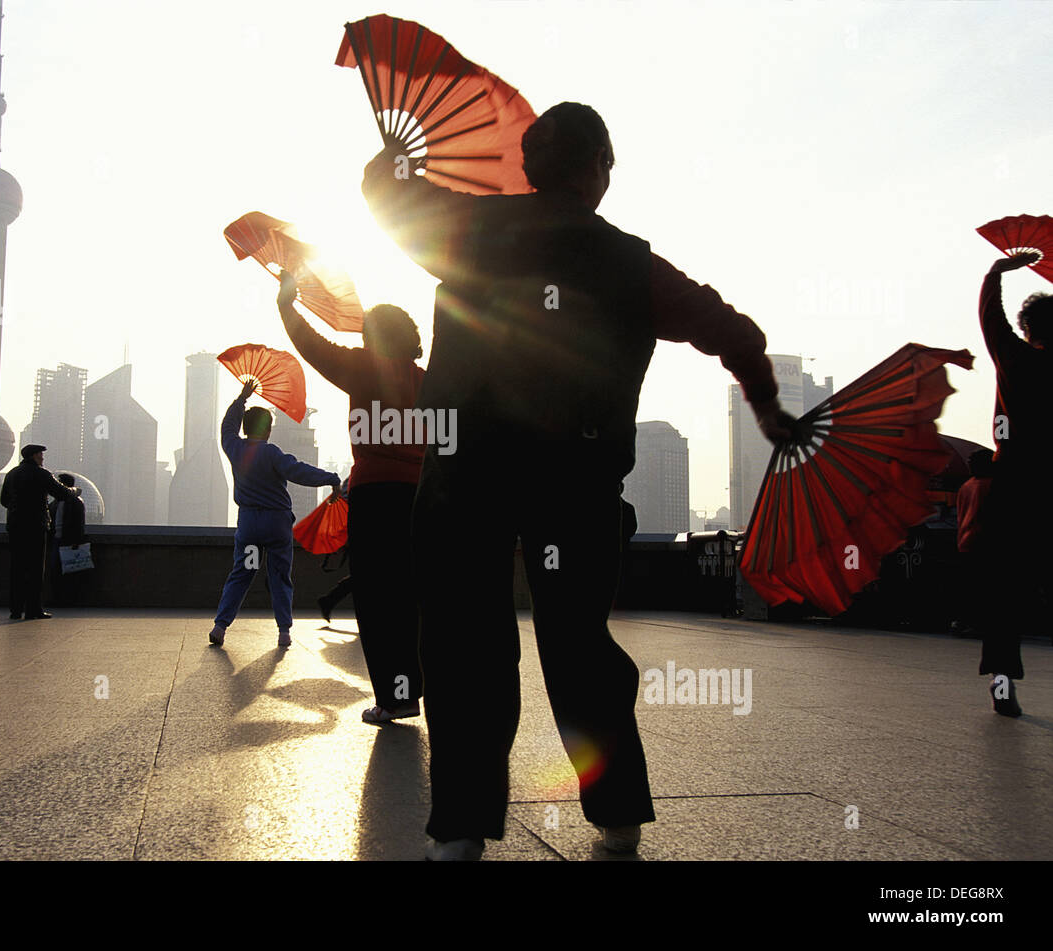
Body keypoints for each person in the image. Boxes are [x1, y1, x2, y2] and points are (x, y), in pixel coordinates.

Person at [361, 102, 791, 859]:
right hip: (577, 483)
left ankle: (461, 826)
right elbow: (732, 331)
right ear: (598, 167)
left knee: (463, 639)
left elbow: (384, 196)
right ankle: (617, 812)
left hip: (467, 473)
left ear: (529, 169)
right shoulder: (632, 263)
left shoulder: (470, 229)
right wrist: (766, 404)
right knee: (578, 643)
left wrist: (397, 153)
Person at [276, 270, 426, 722]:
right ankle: (414, 689)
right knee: (413, 597)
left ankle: (394, 699)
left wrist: (287, 304)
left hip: (377, 497)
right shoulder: (429, 381)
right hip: (422, 497)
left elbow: (312, 345)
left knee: (378, 598)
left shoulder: (363, 369)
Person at [209, 380, 342, 648]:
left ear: (246, 428)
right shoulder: (272, 453)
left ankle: (220, 627)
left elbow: (226, 427)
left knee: (242, 573)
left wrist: (241, 399)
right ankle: (283, 631)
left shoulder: (235, 449)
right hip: (277, 523)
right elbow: (299, 471)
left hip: (248, 523)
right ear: (269, 430)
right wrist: (330, 478)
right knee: (280, 576)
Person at [974, 250, 1049, 717]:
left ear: (1026, 330)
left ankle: (1003, 685)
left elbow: (990, 319)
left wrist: (997, 273)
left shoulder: (1015, 358)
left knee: (1005, 594)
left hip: (1015, 483)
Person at [0, 444, 76, 620]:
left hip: (15, 526)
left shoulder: (12, 474)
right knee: (35, 568)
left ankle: (16, 609)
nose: (43, 458)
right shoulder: (41, 474)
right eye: (41, 455)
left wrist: (17, 509)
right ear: (34, 456)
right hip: (35, 526)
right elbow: (62, 493)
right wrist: (74, 491)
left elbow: (4, 500)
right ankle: (33, 609)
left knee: (17, 568)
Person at [953, 449, 994, 638]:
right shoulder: (991, 485)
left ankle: (966, 621)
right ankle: (979, 622)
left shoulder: (966, 486)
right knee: (984, 588)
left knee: (969, 587)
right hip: (985, 545)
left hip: (965, 543)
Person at [47, 473, 87, 605]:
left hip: (68, 541)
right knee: (54, 571)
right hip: (56, 540)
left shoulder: (76, 502)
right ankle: (56, 598)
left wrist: (77, 541)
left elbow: (79, 524)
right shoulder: (55, 503)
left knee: (69, 573)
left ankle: (68, 599)